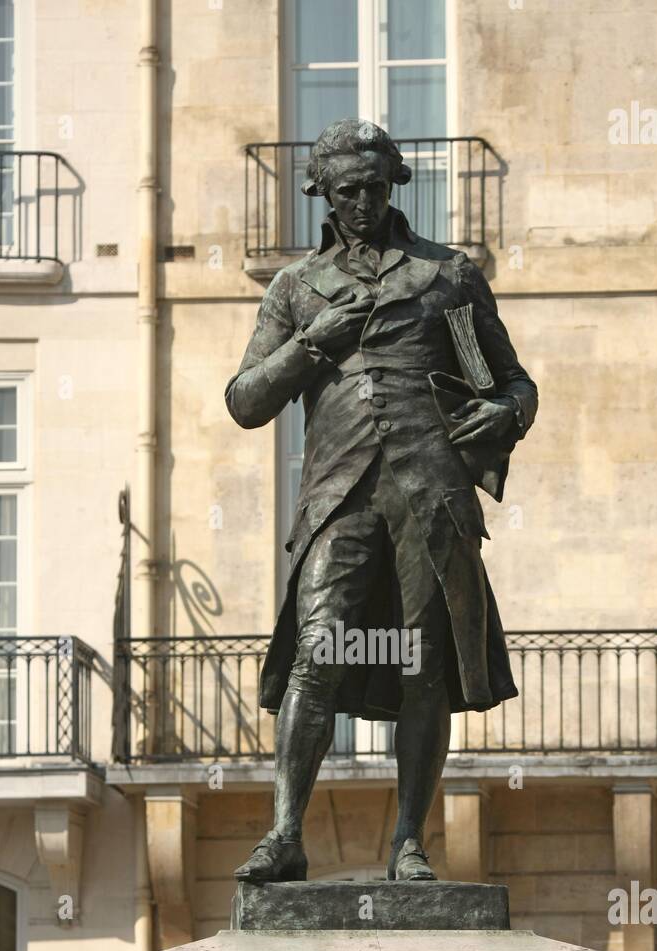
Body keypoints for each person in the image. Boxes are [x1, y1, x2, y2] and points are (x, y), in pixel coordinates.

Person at [225, 119, 538, 883]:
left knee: (423, 667)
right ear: (322, 195)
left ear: (396, 183)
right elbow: (243, 400)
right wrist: (313, 344)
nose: (362, 202)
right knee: (316, 654)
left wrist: (506, 412)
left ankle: (409, 845)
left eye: (374, 186)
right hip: (338, 496)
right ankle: (285, 835)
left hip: (430, 492)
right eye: (346, 190)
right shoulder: (297, 288)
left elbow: (508, 382)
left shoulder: (445, 278)